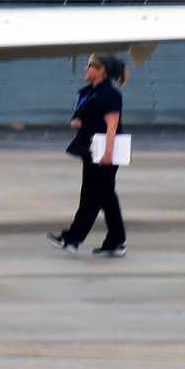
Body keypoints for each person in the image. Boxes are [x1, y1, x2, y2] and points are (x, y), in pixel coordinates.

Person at [53, 53, 127, 257]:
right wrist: (82, 122)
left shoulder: (109, 94)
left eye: (90, 65)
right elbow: (98, 120)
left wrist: (108, 153)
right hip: (92, 149)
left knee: (91, 197)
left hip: (103, 154)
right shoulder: (94, 92)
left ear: (101, 71)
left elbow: (112, 125)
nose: (86, 68)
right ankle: (116, 241)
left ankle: (72, 238)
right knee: (106, 197)